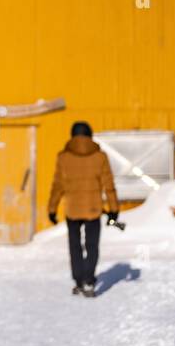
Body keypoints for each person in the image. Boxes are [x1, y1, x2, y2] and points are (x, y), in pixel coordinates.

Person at [47, 121, 120, 297]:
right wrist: (114, 209)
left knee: (75, 246)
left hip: (72, 209)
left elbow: (58, 185)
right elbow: (108, 185)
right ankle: (88, 280)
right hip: (93, 208)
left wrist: (52, 209)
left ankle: (79, 280)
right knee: (92, 245)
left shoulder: (63, 157)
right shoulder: (99, 156)